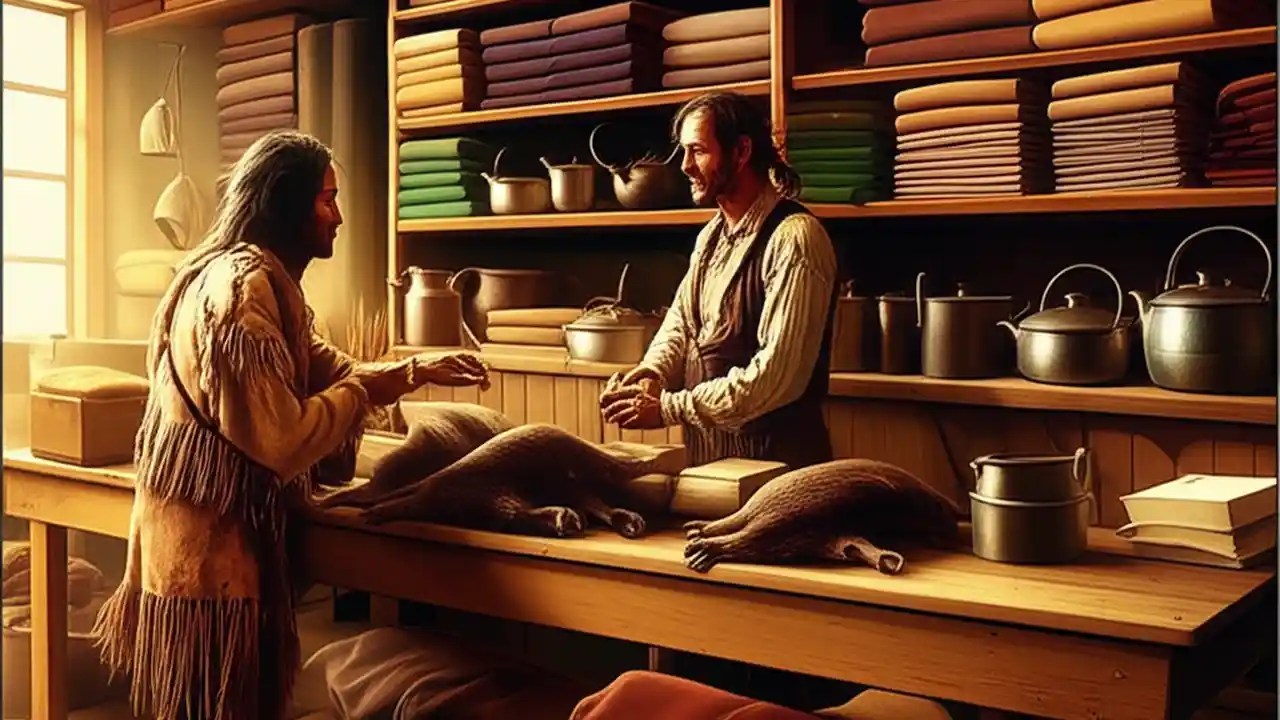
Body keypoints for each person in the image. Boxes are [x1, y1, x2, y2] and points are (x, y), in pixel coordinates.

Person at [92, 130, 489, 720]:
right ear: (287, 203)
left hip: (201, 551)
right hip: (207, 566)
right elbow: (280, 440)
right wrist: (360, 393)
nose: (340, 216)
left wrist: (411, 370)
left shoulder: (252, 279)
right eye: (328, 199)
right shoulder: (240, 291)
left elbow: (329, 367)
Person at [599, 91, 838, 471]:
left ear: (741, 152)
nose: (684, 166)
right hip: (710, 465)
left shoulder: (796, 238)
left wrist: (668, 408)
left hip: (779, 472)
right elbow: (681, 323)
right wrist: (651, 373)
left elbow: (775, 377)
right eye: (683, 152)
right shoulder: (711, 236)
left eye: (698, 151)